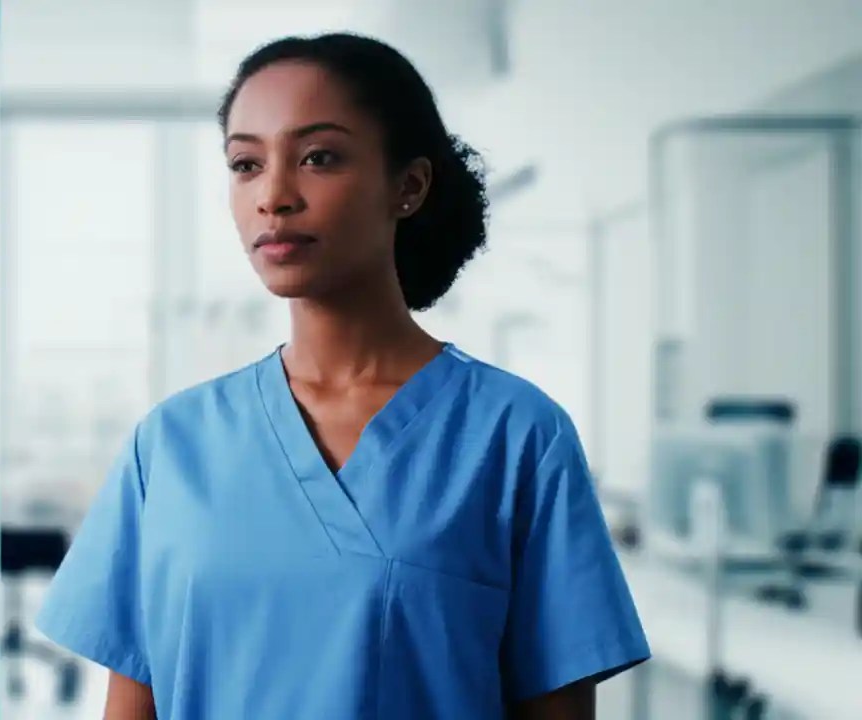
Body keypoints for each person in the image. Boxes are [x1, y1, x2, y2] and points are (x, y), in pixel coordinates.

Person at [35, 32, 650, 720]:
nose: (274, 196)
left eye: (318, 157)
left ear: (408, 187)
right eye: (245, 164)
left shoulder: (514, 438)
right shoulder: (173, 444)